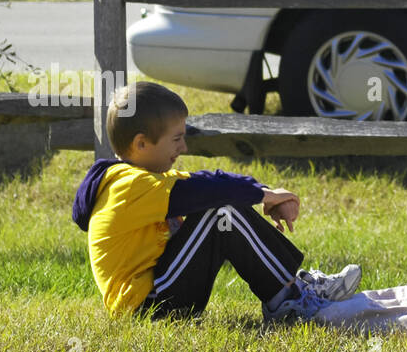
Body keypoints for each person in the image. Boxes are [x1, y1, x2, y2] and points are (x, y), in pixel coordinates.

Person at [72, 81, 361, 321]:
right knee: (221, 211)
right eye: (176, 140)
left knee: (219, 204)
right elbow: (209, 191)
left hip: (161, 290)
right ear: (141, 144)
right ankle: (290, 299)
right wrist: (263, 196)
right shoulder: (130, 185)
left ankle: (291, 288)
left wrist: (264, 190)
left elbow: (211, 180)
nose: (184, 147)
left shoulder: (150, 177)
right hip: (146, 307)